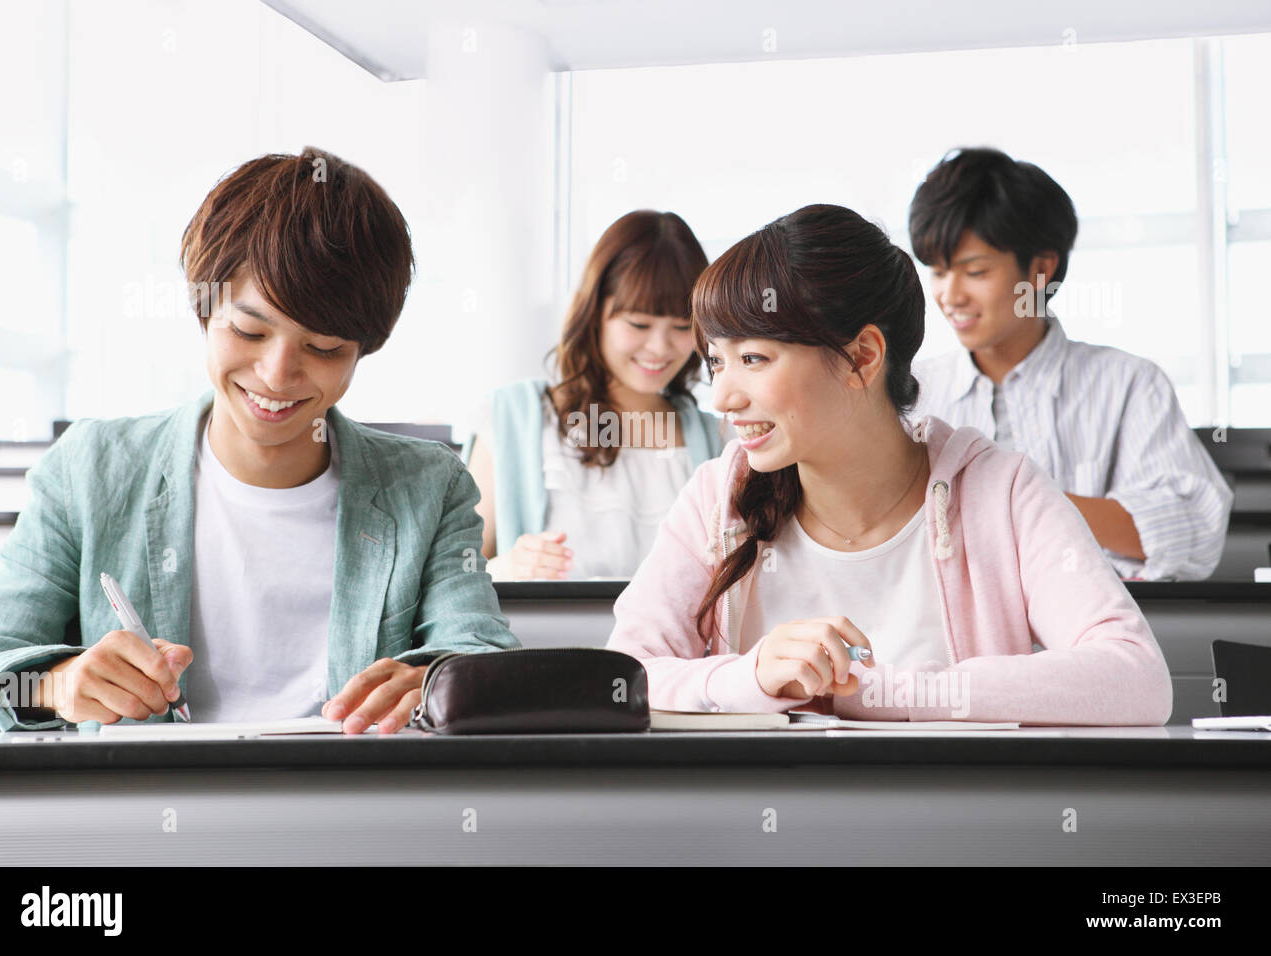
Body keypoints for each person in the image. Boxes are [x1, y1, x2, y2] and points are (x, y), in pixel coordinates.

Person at [0, 147, 517, 734]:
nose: (277, 374)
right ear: (206, 311)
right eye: (250, 329)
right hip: (141, 813)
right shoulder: (91, 469)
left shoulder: (427, 487)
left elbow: (484, 655)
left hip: (354, 811)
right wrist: (55, 685)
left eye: (324, 348)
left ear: (364, 348)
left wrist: (437, 683)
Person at [606, 203, 1172, 725]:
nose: (723, 398)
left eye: (753, 358)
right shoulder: (717, 497)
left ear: (862, 357)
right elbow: (621, 677)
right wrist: (748, 677)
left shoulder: (1003, 492)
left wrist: (890, 694)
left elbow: (1136, 678)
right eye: (716, 363)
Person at [908, 146, 1232, 581]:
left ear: (1041, 269)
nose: (951, 295)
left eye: (975, 271)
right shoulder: (914, 392)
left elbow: (1190, 526)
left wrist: (1020, 500)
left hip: (1092, 640)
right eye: (939, 271)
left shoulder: (1128, 384)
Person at [465, 210, 727, 580]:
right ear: (594, 313)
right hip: (549, 640)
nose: (660, 347)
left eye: (682, 327)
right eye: (639, 324)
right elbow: (454, 578)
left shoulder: (717, 443)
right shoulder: (514, 421)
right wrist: (506, 568)